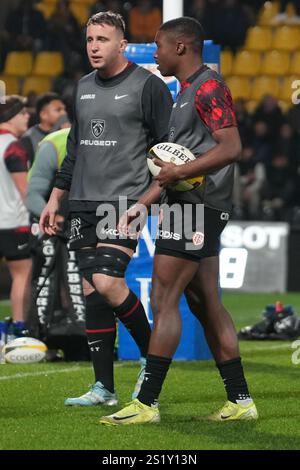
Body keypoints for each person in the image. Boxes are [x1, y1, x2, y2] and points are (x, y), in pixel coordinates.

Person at [100, 17, 258, 425]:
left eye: (159, 45)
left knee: (163, 298)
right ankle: (241, 401)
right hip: (191, 203)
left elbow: (231, 147)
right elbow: (175, 167)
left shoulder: (208, 87)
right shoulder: (187, 92)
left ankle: (146, 403)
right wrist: (143, 204)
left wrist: (176, 178)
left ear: (181, 47)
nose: (155, 53)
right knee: (206, 302)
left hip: (194, 207)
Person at [39, 11, 173, 406]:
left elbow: (166, 149)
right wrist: (55, 196)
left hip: (124, 202)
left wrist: (162, 199)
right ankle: (104, 388)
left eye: (102, 39)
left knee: (108, 283)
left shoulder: (148, 87)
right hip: (81, 201)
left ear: (122, 44)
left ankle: (153, 361)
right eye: (90, 39)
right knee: (91, 290)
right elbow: (76, 147)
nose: (94, 47)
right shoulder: (81, 87)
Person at [0, 95, 31, 328]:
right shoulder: (13, 146)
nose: (27, 116)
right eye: (23, 113)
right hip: (12, 221)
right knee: (21, 276)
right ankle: (20, 327)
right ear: (11, 117)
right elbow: (24, 191)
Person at [22, 92, 67, 167]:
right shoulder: (28, 138)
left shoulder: (67, 133)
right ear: (43, 115)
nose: (64, 113)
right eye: (58, 110)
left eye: (64, 109)